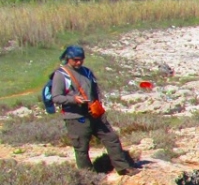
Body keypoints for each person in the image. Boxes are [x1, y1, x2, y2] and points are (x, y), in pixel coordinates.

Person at [50, 45, 137, 175]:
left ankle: (123, 167)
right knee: (82, 148)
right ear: (68, 58)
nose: (79, 62)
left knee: (111, 138)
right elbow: (56, 97)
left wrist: (98, 105)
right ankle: (88, 176)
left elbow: (94, 90)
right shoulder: (60, 75)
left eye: (81, 59)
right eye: (76, 60)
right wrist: (74, 99)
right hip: (75, 117)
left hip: (94, 113)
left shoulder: (87, 72)